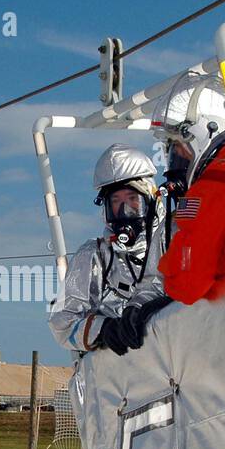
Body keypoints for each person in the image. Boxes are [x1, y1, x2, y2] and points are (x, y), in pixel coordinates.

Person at [49, 145, 171, 355]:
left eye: (133, 200)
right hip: (115, 376)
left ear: (151, 201)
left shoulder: (173, 242)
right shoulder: (95, 255)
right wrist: (106, 330)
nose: (125, 210)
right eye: (116, 202)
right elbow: (62, 322)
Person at [150, 71, 225, 304]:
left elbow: (186, 285)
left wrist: (166, 268)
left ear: (201, 132)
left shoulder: (210, 187)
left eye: (177, 145)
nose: (175, 157)